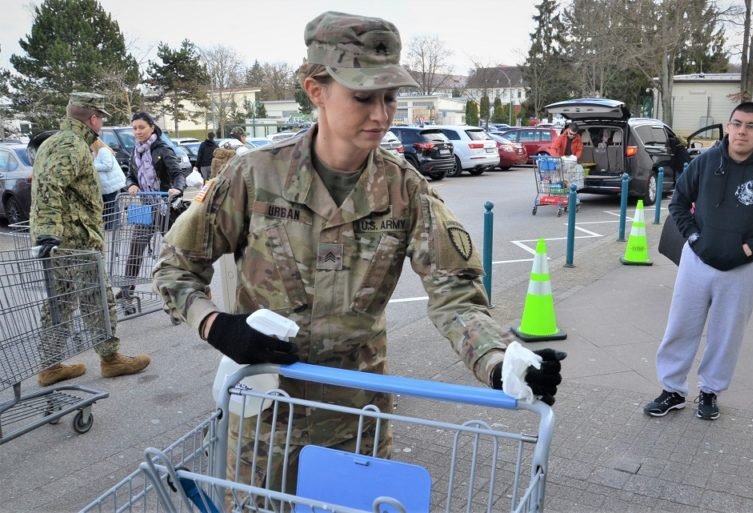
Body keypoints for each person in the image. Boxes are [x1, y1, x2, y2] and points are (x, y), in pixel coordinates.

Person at [153, 11, 565, 493]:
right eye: (363, 97)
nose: (381, 115)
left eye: (389, 97)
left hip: (356, 422)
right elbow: (175, 268)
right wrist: (216, 325)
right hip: (265, 419)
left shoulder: (404, 189)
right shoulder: (255, 177)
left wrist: (500, 361)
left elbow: (454, 295)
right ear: (316, 91)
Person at [644, 101, 753, 421]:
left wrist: (749, 249)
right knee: (680, 327)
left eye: (751, 126)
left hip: (740, 268)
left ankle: (710, 391)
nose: (742, 131)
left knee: (726, 335)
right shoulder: (706, 162)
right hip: (696, 261)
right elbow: (679, 203)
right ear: (728, 127)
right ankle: (672, 390)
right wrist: (693, 237)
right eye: (737, 124)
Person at [30, 92, 151, 386]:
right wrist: (48, 231)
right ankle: (110, 358)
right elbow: (49, 185)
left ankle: (50, 365)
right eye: (101, 118)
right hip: (75, 240)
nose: (101, 124)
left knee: (60, 301)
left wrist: (48, 235)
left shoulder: (56, 141)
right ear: (93, 118)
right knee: (97, 297)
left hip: (61, 241)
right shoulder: (71, 144)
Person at [117, 111, 185, 299]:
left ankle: (185, 290)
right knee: (135, 250)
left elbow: (178, 174)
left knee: (175, 252)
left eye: (142, 127)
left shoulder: (163, 149)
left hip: (164, 208)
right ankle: (127, 289)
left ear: (152, 128)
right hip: (145, 207)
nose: (138, 132)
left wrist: (177, 189)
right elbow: (130, 175)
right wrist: (131, 185)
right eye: (134, 128)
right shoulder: (135, 151)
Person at [92, 138, 126, 230]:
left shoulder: (103, 151)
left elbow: (108, 165)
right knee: (108, 205)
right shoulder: (95, 153)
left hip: (111, 184)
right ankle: (110, 225)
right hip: (106, 185)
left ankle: (113, 225)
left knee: (112, 205)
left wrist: (92, 166)